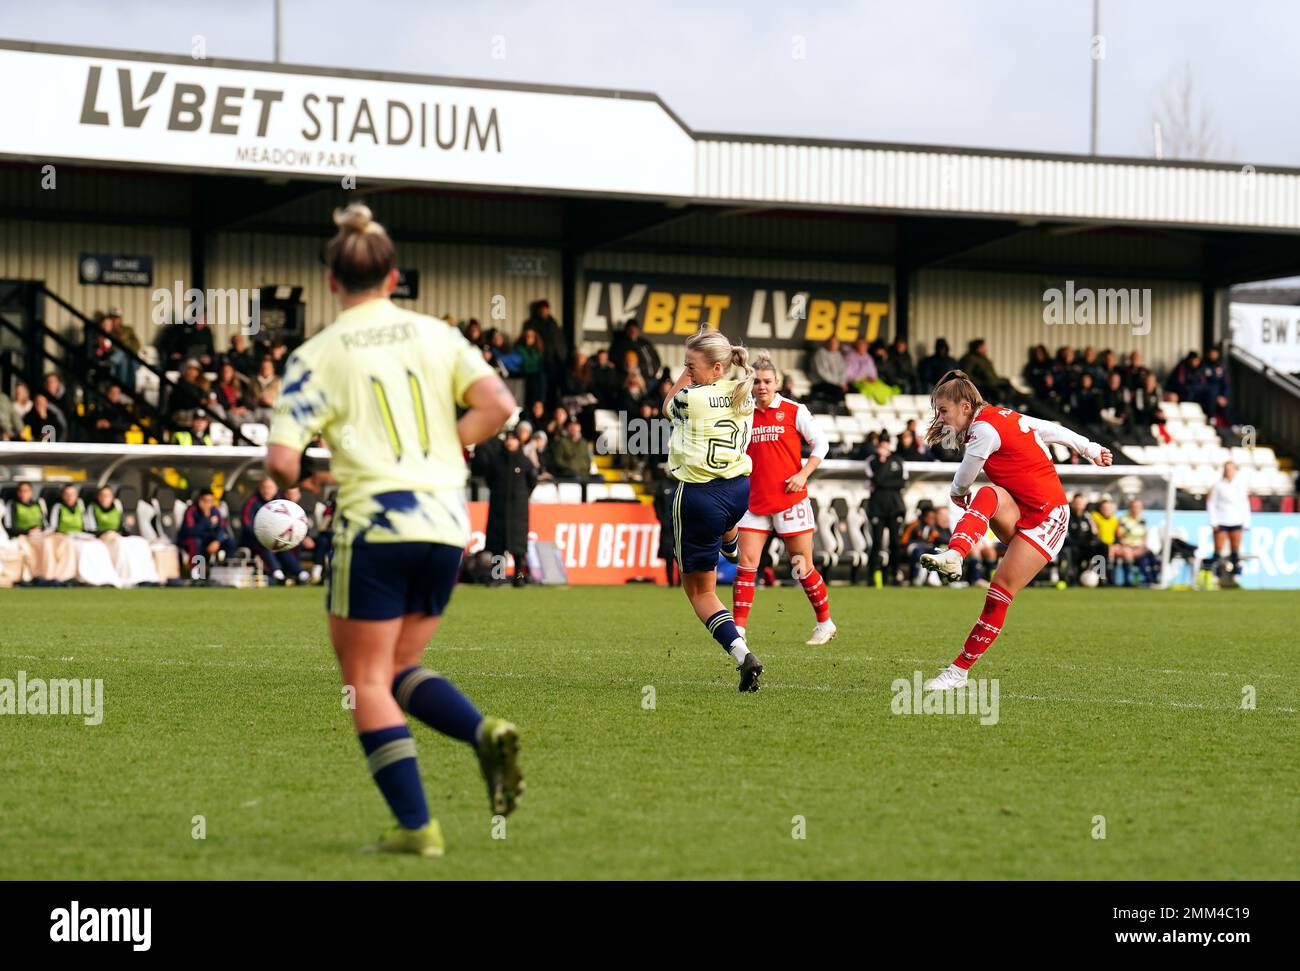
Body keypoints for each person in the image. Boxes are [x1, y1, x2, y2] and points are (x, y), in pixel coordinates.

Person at [264, 203, 523, 857]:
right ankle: (483, 731)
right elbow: (499, 405)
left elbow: (281, 462)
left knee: (366, 678)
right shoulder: (436, 334)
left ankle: (418, 827)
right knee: (401, 663)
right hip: (443, 520)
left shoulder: (317, 352)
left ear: (331, 282)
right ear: (393, 276)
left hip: (375, 524)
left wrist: (307, 476)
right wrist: (442, 450)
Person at [918, 370, 1112, 689]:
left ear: (965, 406)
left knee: (998, 594)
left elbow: (965, 476)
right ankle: (954, 555)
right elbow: (1052, 429)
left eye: (943, 410)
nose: (940, 417)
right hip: (1020, 508)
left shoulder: (984, 430)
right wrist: (1090, 448)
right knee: (988, 494)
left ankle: (959, 671)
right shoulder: (1001, 416)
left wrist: (956, 493)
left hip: (1047, 519)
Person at [664, 328, 763, 692]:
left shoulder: (692, 397)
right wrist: (694, 362)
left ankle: (743, 655)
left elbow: (666, 406)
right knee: (725, 523)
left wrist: (685, 375)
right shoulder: (743, 393)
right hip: (738, 491)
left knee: (700, 593)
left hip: (699, 496)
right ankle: (731, 541)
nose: (687, 371)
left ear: (717, 367)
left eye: (691, 366)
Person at [731, 352, 835, 646]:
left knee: (801, 565)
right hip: (753, 500)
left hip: (790, 499)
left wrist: (804, 474)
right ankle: (738, 630)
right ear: (750, 384)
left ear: (777, 382)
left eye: (767, 381)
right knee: (746, 564)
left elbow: (821, 444)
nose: (761, 386)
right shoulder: (742, 413)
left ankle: (825, 622)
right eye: (756, 382)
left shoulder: (793, 410)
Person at [475, 432, 538, 585]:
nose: (510, 442)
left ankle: (519, 577)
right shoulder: (496, 461)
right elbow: (489, 479)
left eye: (513, 439)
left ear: (518, 442)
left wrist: (521, 496)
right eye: (508, 439)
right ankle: (497, 576)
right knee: (498, 546)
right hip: (499, 509)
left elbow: (532, 481)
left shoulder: (524, 462)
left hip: (518, 511)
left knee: (518, 548)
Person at [242, 477, 310, 585]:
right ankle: (277, 574)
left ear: (275, 489)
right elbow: (246, 525)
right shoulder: (252, 503)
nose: (267, 490)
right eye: (264, 487)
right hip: (254, 540)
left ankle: (299, 574)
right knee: (267, 544)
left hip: (275, 539)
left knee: (284, 545)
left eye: (270, 487)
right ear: (260, 488)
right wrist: (263, 535)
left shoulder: (280, 503)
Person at [866, 438, 907, 586]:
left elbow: (901, 482)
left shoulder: (898, 461)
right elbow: (877, 479)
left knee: (895, 542)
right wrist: (883, 463)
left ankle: (895, 574)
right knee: (876, 542)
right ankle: (871, 575)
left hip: (894, 507)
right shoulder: (872, 461)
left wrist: (884, 482)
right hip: (877, 507)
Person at [1205, 461, 1250, 586]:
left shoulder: (1240, 485)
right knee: (1218, 549)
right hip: (1221, 521)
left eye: (1231, 469)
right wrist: (1213, 521)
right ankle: (1216, 574)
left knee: (1235, 550)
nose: (1228, 472)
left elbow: (1245, 503)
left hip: (1236, 521)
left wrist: (1246, 521)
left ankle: (1236, 574)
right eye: (1226, 469)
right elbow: (1211, 503)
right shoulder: (1218, 486)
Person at [1116, 498, 1159, 587]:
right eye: (1134, 507)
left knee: (1150, 557)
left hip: (1139, 547)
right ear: (1130, 508)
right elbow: (1120, 536)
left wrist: (1141, 546)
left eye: (1138, 507)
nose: (1136, 509)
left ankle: (1152, 580)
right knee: (1130, 554)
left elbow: (1144, 535)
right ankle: (1127, 581)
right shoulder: (1123, 519)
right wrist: (1130, 546)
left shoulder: (1143, 520)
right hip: (1127, 547)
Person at [809, 336, 848, 404]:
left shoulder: (838, 354)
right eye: (831, 342)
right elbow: (822, 373)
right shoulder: (820, 353)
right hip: (819, 383)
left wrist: (842, 382)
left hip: (836, 383)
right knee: (837, 391)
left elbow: (843, 371)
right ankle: (831, 410)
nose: (833, 345)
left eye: (835, 343)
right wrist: (837, 383)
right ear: (826, 343)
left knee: (852, 390)